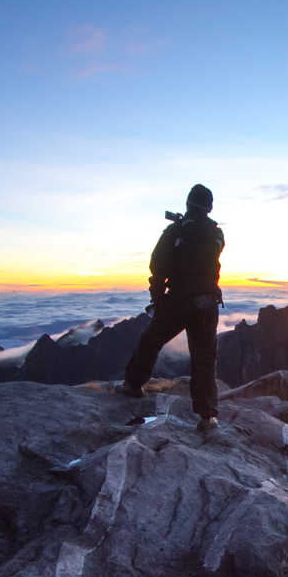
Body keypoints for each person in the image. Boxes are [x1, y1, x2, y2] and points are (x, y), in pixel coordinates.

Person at [117, 184, 225, 432]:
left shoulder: (174, 231)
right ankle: (207, 417)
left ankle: (133, 385)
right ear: (209, 208)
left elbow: (158, 266)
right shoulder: (216, 235)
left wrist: (157, 297)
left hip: (177, 300)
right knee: (204, 358)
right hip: (207, 304)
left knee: (151, 339)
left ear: (188, 204)